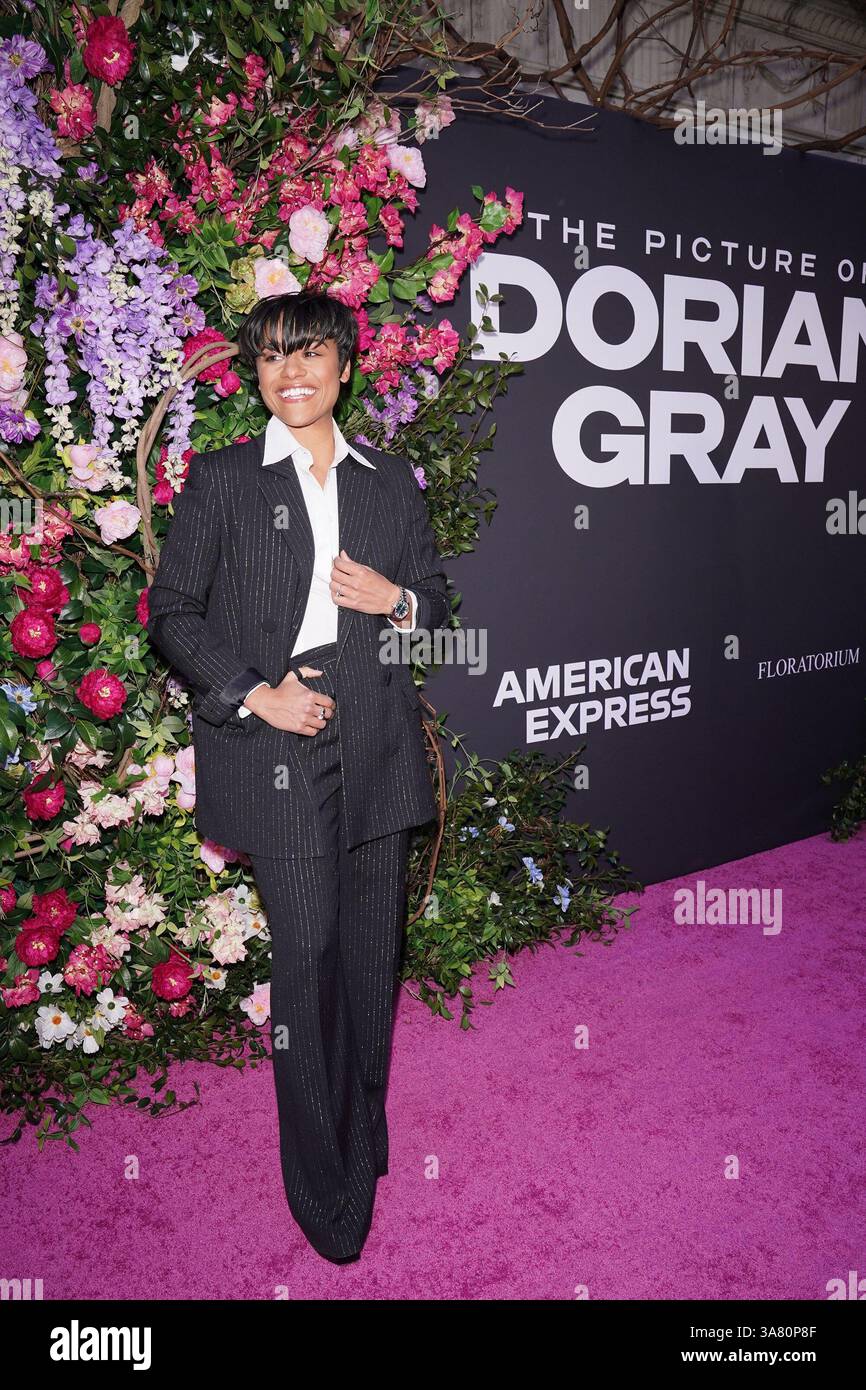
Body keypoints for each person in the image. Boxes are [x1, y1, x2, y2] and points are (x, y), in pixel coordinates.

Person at [145, 288, 450, 1261]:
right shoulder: (224, 478)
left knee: (369, 955)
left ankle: (362, 1133)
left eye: (308, 353)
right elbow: (172, 611)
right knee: (309, 955)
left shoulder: (388, 482)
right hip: (278, 735)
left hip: (377, 736)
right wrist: (253, 692)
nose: (290, 373)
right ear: (258, 372)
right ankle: (324, 1188)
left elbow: (440, 606)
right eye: (273, 357)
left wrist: (396, 598)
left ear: (344, 367)